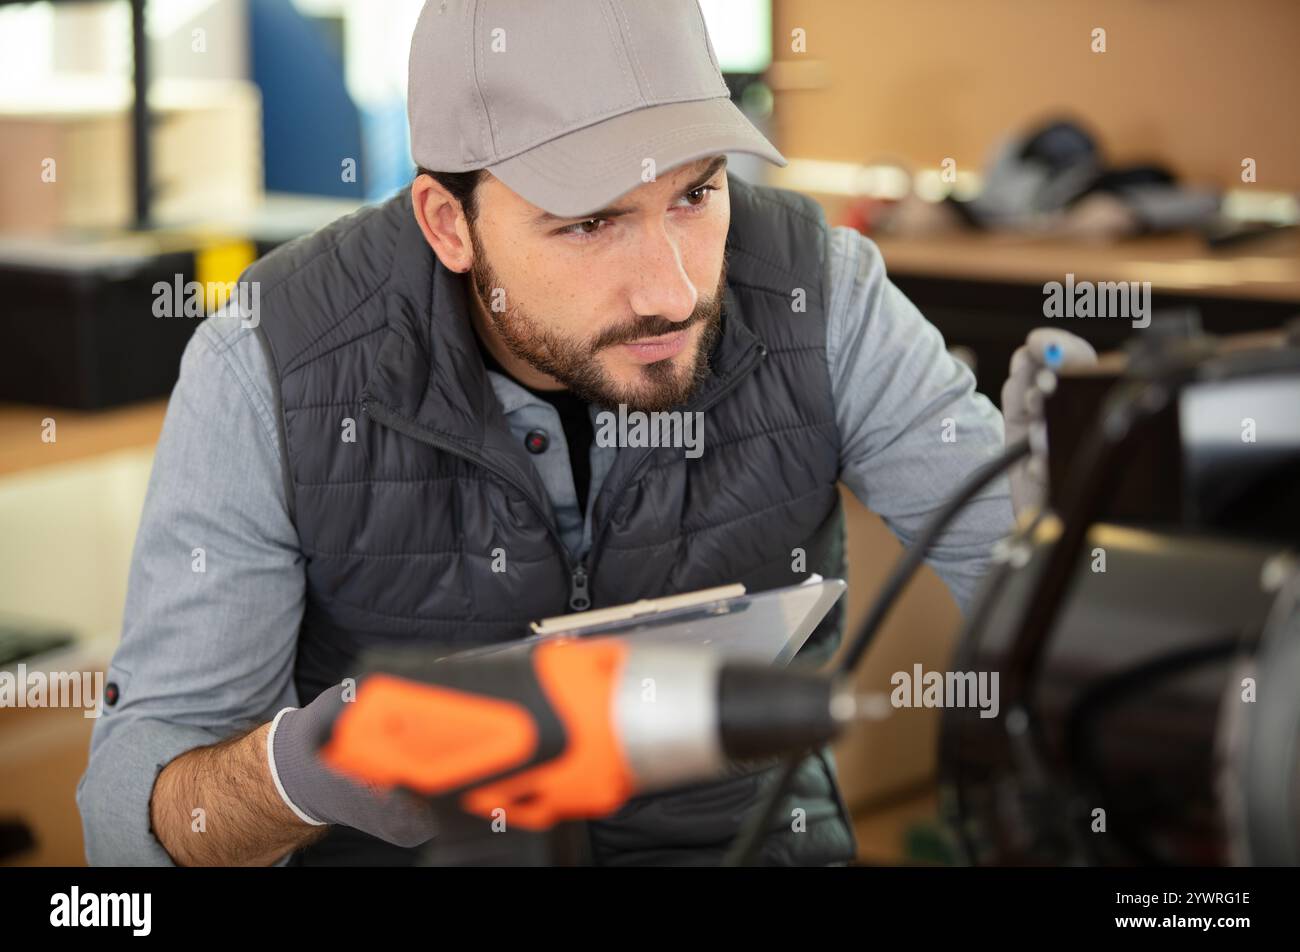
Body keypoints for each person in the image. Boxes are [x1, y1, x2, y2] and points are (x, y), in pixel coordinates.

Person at [79, 0, 1027, 866]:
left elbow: (1048, 598)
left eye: (696, 195)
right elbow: (131, 818)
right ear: (448, 224)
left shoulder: (823, 292)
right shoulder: (269, 358)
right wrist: (298, 772)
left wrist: (1081, 510)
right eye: (587, 224)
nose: (673, 291)